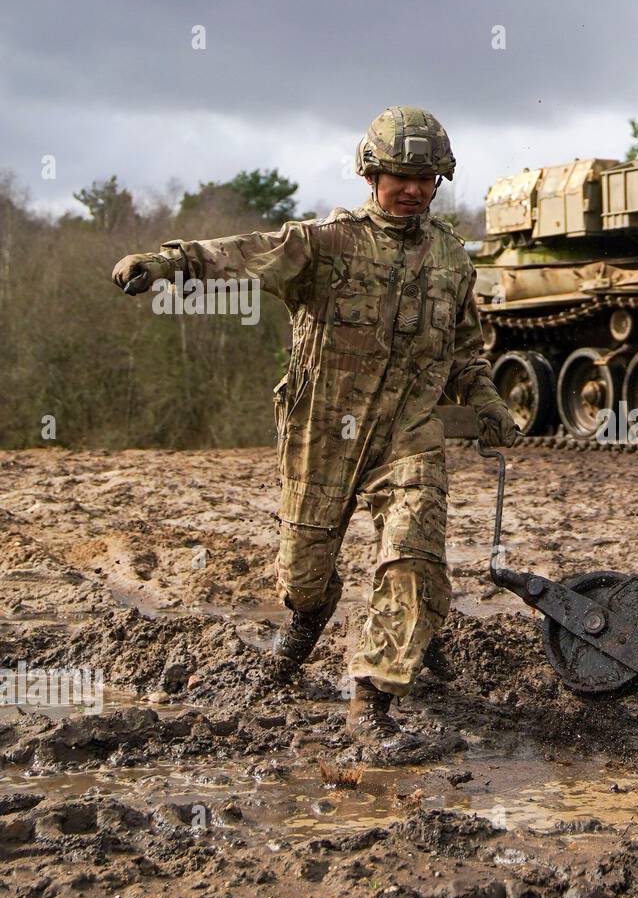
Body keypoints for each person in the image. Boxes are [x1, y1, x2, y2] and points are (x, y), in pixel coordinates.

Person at [112, 106, 518, 758]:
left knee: (414, 553)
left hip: (408, 433)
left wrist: (488, 400)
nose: (413, 189)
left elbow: (466, 351)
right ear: (372, 174)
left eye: (425, 178)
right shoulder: (326, 243)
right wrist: (169, 264)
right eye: (400, 176)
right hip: (322, 432)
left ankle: (371, 705)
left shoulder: (451, 257)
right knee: (304, 577)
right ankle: (301, 630)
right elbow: (244, 254)